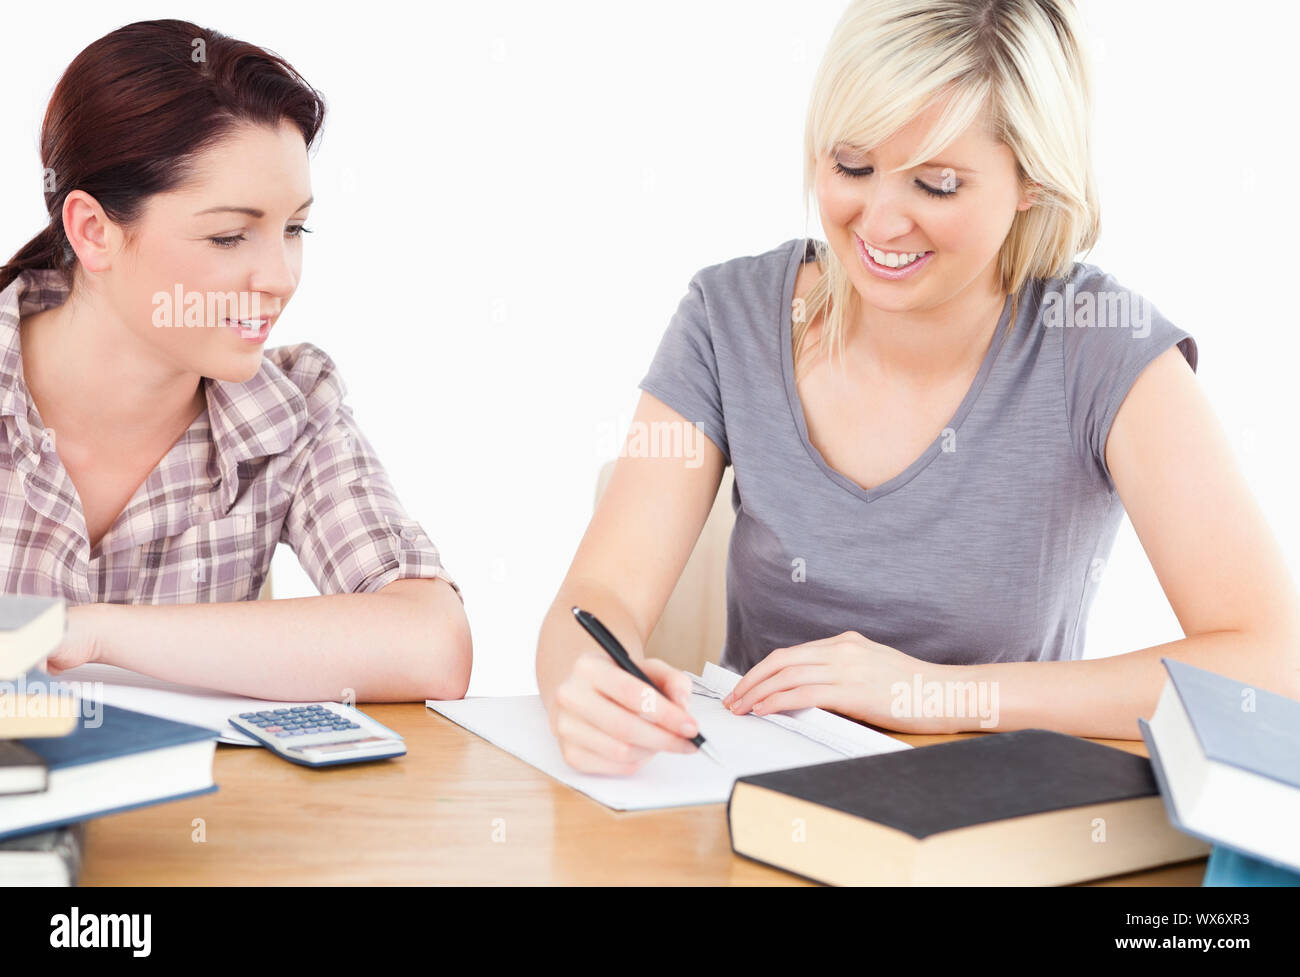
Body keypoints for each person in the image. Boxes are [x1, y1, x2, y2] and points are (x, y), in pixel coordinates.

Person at [535, 0, 1300, 775]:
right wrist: (588, 683)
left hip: (991, 821)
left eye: (936, 184)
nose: (881, 222)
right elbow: (597, 597)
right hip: (754, 802)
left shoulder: (1103, 344)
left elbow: (1271, 664)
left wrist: (938, 693)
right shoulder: (726, 317)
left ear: (1033, 179)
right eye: (851, 167)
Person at [0, 20, 471, 702]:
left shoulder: (292, 410)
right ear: (94, 232)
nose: (279, 278)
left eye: (293, 229)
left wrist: (95, 633)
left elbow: (432, 643)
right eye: (229, 236)